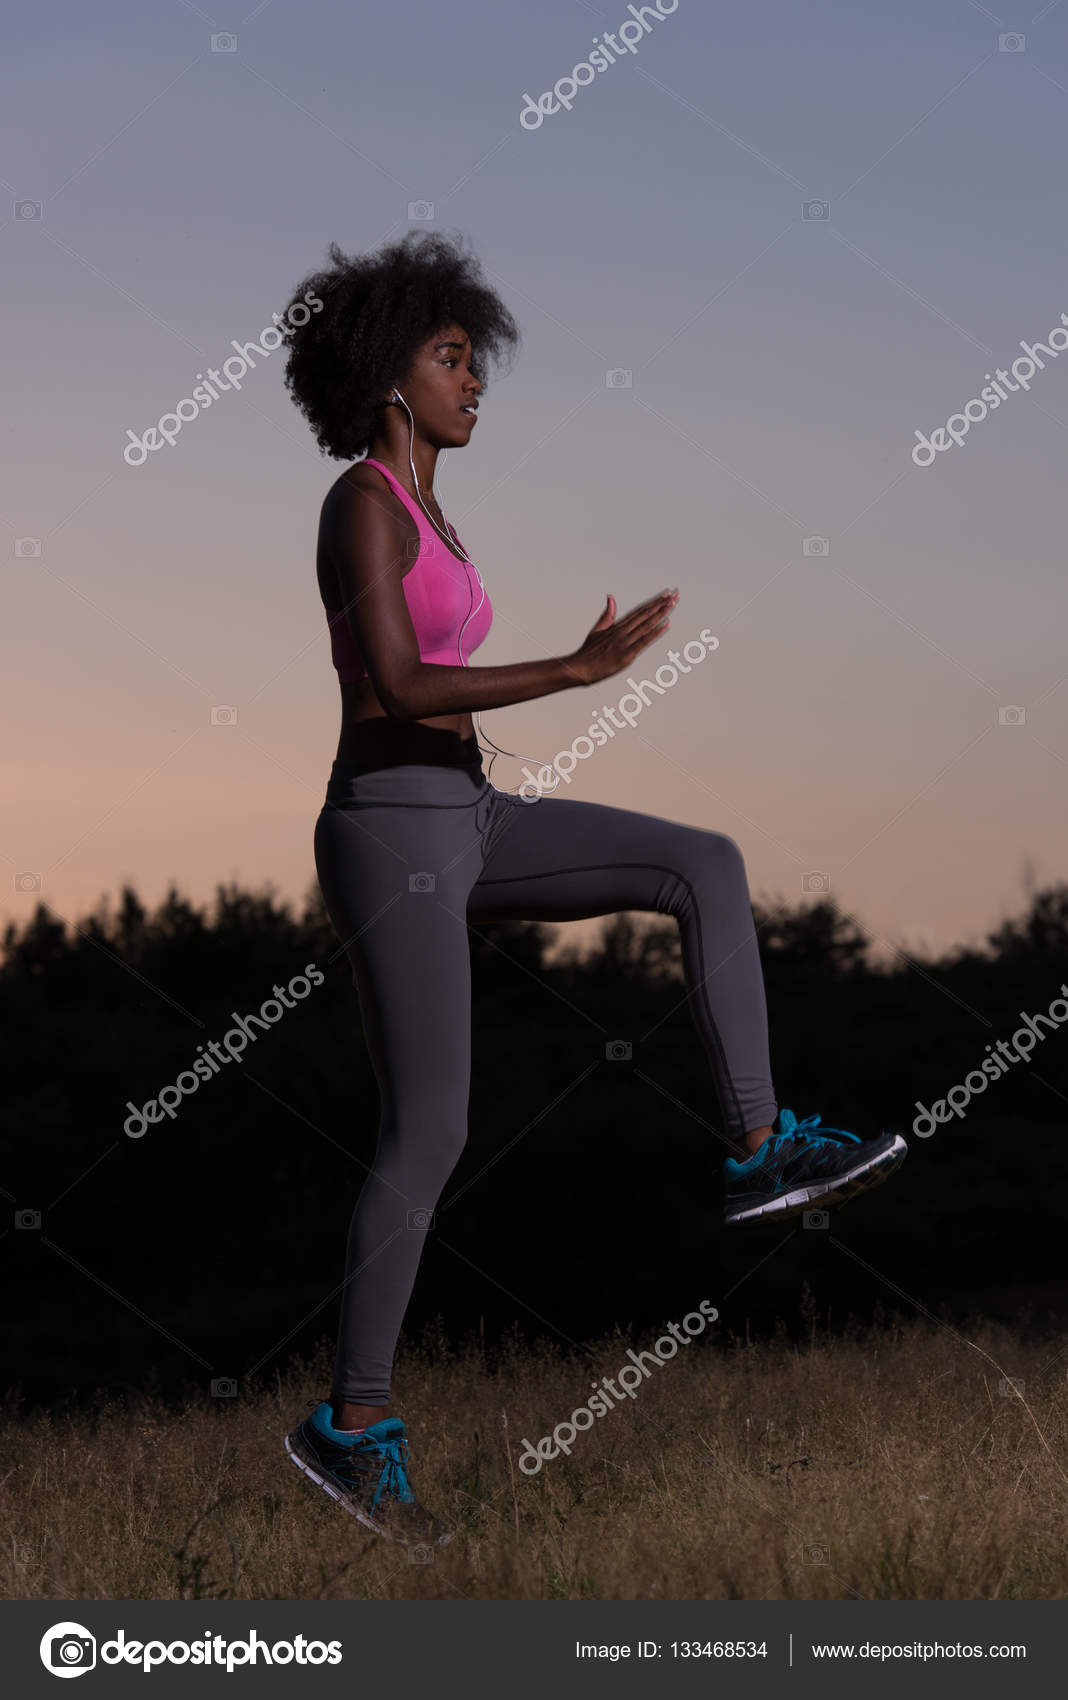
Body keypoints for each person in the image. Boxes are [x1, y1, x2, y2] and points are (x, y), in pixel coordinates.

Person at [276, 231, 906, 1546]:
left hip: (470, 813)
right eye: (452, 358)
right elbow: (395, 685)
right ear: (393, 375)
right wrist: (569, 673)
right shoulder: (360, 503)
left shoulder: (438, 508)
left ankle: (757, 1148)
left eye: (473, 359)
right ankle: (353, 1427)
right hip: (391, 829)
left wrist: (564, 678)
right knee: (430, 1132)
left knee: (705, 864)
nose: (476, 381)